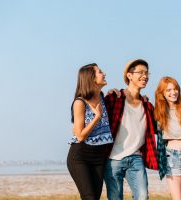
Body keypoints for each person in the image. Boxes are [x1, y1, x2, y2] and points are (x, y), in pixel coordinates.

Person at [104, 59, 158, 200]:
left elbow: (161, 125)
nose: (145, 76)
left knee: (142, 196)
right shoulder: (115, 98)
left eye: (147, 73)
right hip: (113, 158)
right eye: (140, 72)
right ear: (129, 75)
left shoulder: (147, 105)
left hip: (136, 158)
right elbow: (99, 118)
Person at [67, 63, 113, 200]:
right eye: (100, 72)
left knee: (95, 197)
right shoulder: (80, 102)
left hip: (99, 156)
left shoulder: (103, 98)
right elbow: (80, 136)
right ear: (91, 78)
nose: (104, 73)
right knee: (89, 197)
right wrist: (96, 117)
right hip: (80, 156)